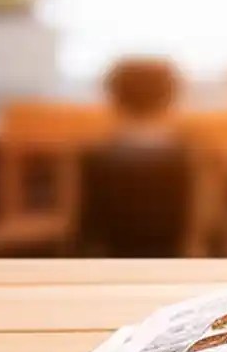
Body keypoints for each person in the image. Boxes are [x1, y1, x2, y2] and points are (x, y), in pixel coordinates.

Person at [78, 58, 196, 256]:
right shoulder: (189, 157)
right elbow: (196, 230)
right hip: (171, 262)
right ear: (170, 97)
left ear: (115, 97)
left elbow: (82, 226)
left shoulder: (93, 156)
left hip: (110, 263)